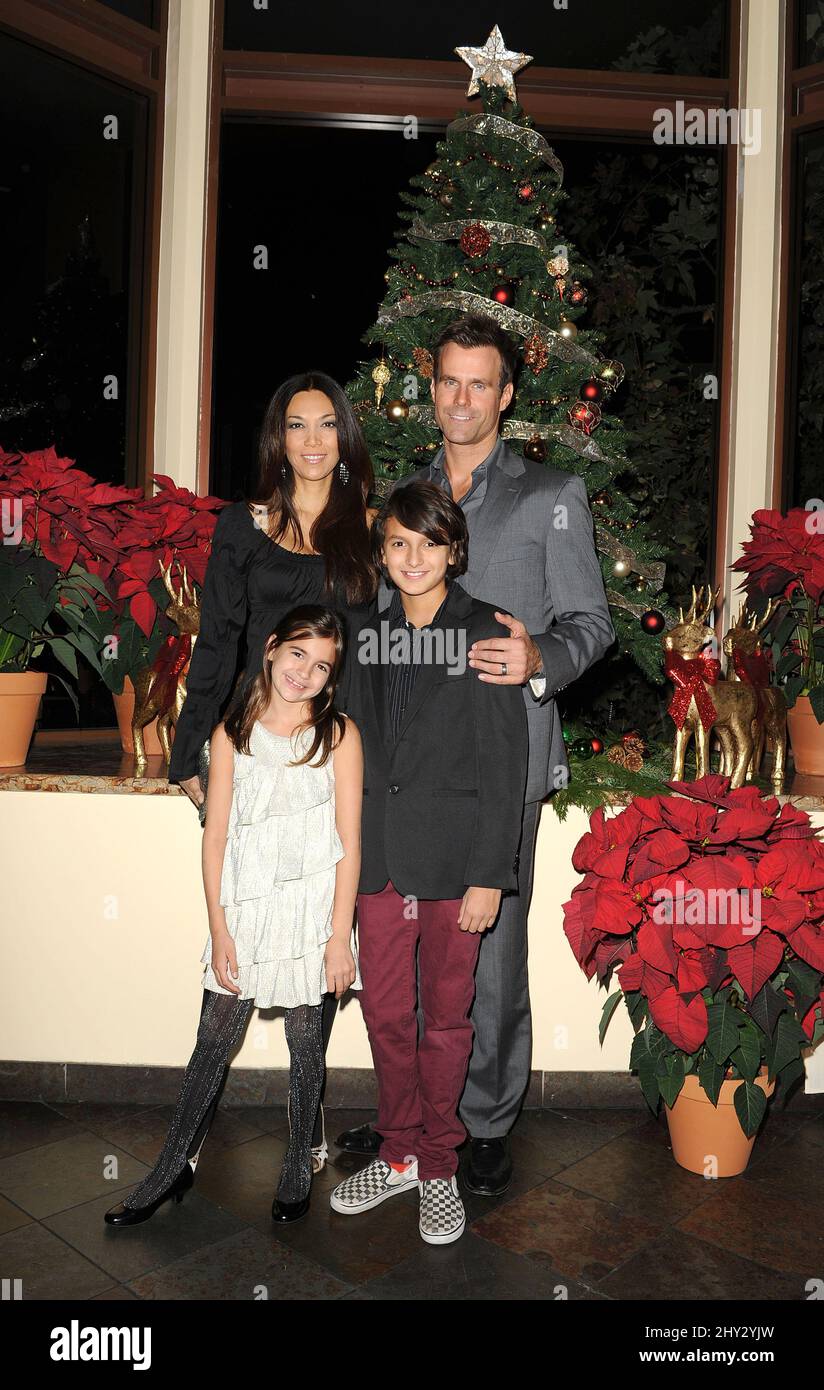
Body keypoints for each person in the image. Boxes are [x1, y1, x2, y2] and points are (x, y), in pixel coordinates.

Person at [337, 313, 615, 1197]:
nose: (462, 398)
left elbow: (592, 626)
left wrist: (540, 657)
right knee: (403, 955)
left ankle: (486, 1122)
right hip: (410, 765)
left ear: (506, 394)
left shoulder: (550, 494)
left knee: (485, 955)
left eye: (480, 383)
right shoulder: (404, 496)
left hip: (501, 763)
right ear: (433, 387)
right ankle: (416, 1121)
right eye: (447, 380)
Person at [167, 372, 378, 1167]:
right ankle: (185, 1142)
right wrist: (192, 750)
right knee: (241, 929)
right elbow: (218, 640)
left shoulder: (368, 531)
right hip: (248, 756)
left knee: (321, 931)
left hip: (326, 761)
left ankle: (305, 1123)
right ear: (278, 439)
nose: (315, 440)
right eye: (299, 426)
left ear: (344, 438)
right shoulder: (242, 527)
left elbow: (378, 656)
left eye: (329, 425)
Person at [105, 605, 363, 1227]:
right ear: (272, 649)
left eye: (322, 665)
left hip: (312, 915)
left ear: (333, 677)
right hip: (246, 913)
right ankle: (169, 1167)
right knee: (210, 1045)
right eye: (298, 654)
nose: (305, 672)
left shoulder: (340, 736)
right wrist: (220, 929)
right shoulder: (231, 734)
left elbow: (350, 842)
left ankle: (299, 1159)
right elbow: (214, 837)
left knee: (307, 1050)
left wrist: (338, 939)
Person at [329, 482, 528, 1244]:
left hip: (456, 867)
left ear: (455, 550)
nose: (414, 558)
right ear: (382, 553)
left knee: (447, 1018)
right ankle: (401, 1150)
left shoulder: (484, 632)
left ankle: (440, 1164)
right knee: (384, 1011)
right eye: (399, 544)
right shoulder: (362, 631)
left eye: (429, 543)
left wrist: (491, 872)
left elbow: (503, 763)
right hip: (378, 860)